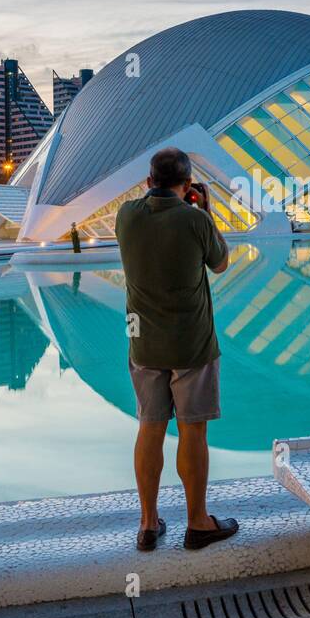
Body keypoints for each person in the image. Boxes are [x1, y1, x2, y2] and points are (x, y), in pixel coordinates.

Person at [114, 147, 238, 552]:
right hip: (191, 344)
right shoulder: (196, 219)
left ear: (149, 182)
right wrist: (205, 209)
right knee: (192, 429)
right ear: (188, 186)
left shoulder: (125, 216)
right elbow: (220, 263)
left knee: (150, 426)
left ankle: (148, 525)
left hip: (143, 343)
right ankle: (198, 523)